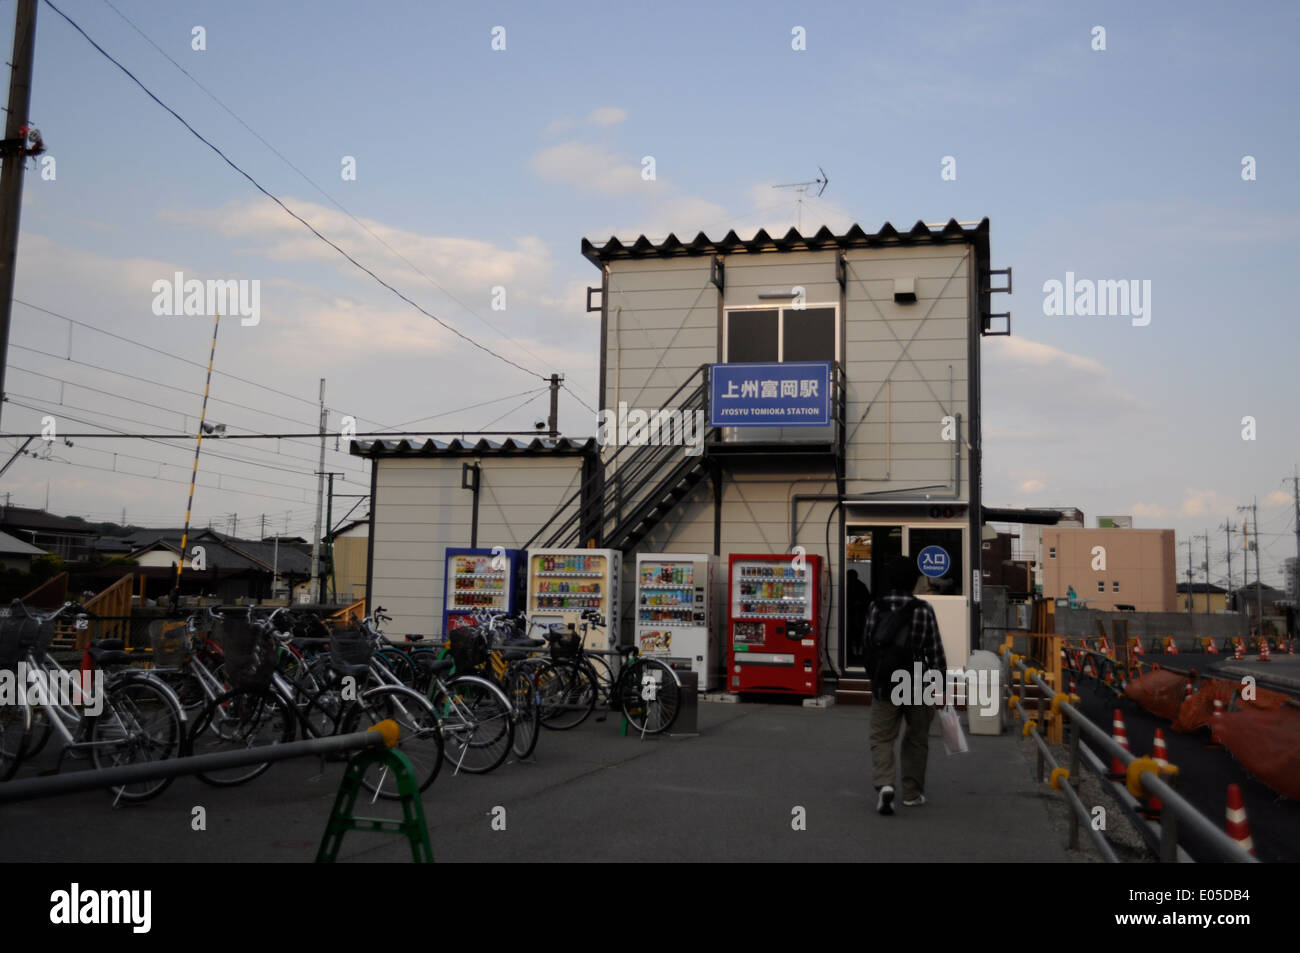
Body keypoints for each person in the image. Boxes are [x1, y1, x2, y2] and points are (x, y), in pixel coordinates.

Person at [864, 554, 947, 815]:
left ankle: (885, 785)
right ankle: (911, 793)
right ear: (915, 582)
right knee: (916, 738)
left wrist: (874, 679)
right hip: (917, 683)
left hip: (886, 683)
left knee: (882, 737)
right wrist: (939, 685)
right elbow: (935, 651)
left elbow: (867, 646)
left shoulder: (876, 607)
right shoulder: (924, 610)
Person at [846, 568, 872, 661]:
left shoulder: (848, 586)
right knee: (856, 634)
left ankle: (854, 652)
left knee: (854, 634)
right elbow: (868, 600)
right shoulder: (861, 585)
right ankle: (856, 652)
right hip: (856, 614)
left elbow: (867, 600)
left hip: (855, 614)